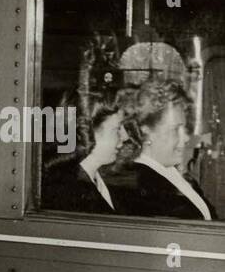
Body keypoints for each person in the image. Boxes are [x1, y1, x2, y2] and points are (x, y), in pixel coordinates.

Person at [114, 79, 216, 220]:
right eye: (175, 129)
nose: (186, 138)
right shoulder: (142, 186)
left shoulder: (171, 172)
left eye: (184, 128)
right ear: (146, 132)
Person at [41, 94, 129, 214]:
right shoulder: (67, 194)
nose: (125, 136)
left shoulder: (98, 180)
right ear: (86, 132)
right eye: (118, 128)